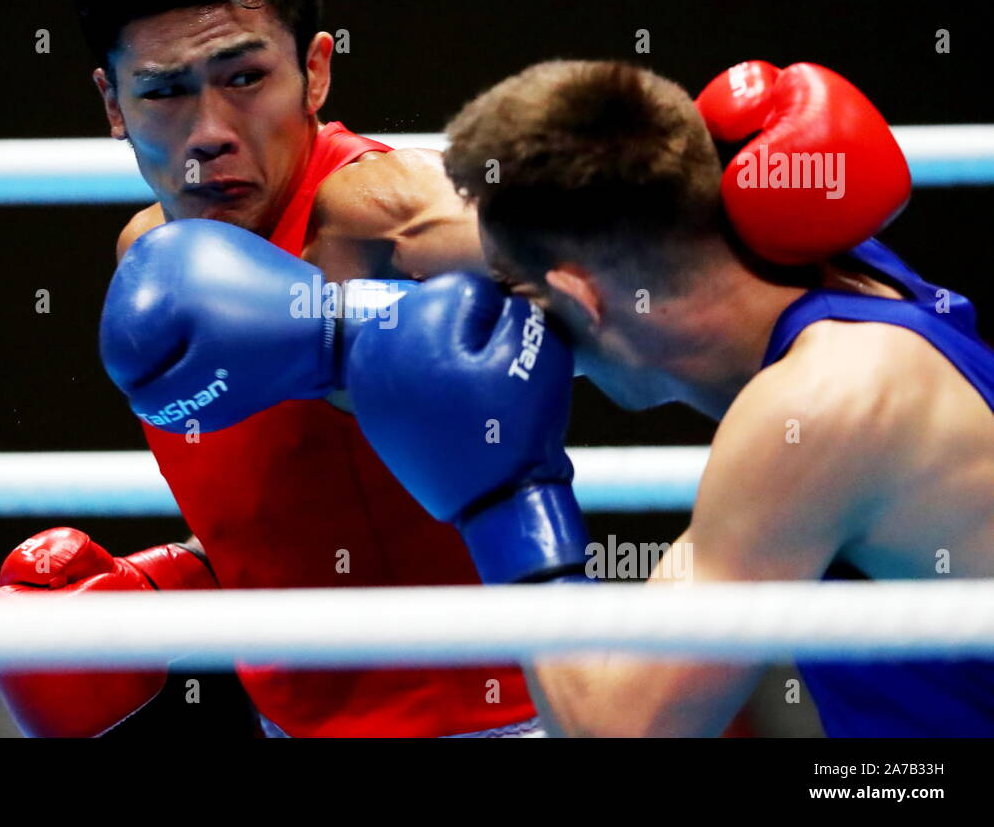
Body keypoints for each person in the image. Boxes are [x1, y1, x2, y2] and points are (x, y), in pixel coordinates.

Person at [0, 0, 540, 738]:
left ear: (314, 71)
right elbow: (302, 516)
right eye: (165, 91)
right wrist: (171, 586)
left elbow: (613, 265)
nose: (209, 129)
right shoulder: (148, 257)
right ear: (112, 104)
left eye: (244, 77)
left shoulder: (387, 212)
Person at [341, 58, 994, 736]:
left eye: (522, 296)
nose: (520, 326)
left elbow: (617, 732)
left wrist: (506, 500)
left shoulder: (815, 411)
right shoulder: (847, 270)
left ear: (578, 298)